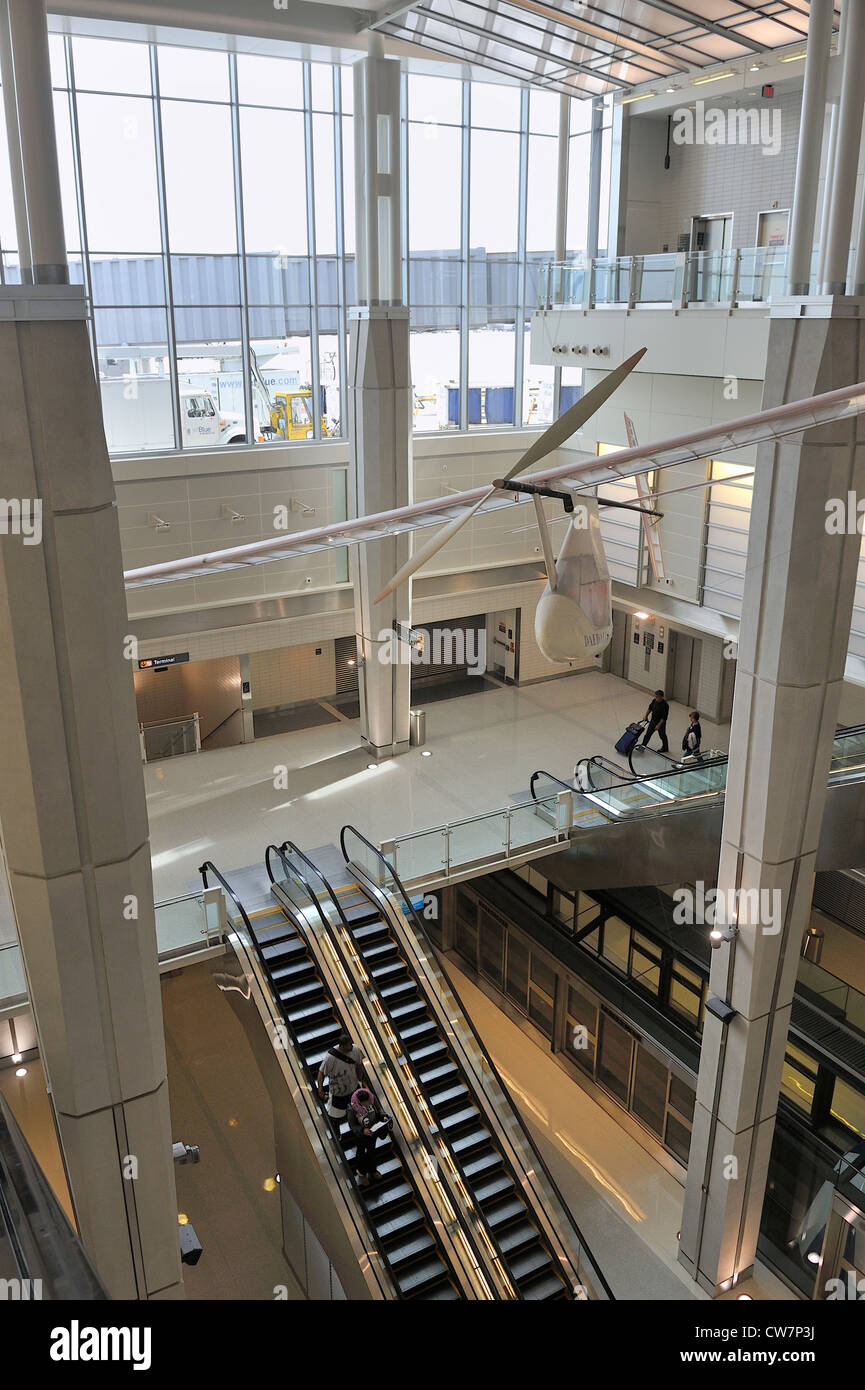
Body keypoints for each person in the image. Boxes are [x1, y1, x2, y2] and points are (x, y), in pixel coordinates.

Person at [346, 1087, 390, 1187]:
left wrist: (383, 1116)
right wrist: (362, 1130)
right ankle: (361, 1173)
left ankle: (372, 1169)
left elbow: (379, 1109)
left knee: (372, 1151)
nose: (367, 1104)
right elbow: (352, 1126)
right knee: (361, 1153)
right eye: (364, 1103)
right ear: (359, 1102)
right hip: (361, 1136)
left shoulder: (372, 1099)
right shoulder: (352, 1109)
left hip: (373, 1131)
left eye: (368, 1102)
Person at [317, 1033, 364, 1125]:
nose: (351, 1046)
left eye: (351, 1043)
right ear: (341, 1046)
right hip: (338, 1093)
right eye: (348, 1045)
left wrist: (360, 1079)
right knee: (335, 1116)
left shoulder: (355, 1050)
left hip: (354, 1087)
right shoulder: (330, 1057)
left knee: (359, 1110)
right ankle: (336, 1129)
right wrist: (320, 1090)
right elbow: (321, 1073)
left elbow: (359, 1065)